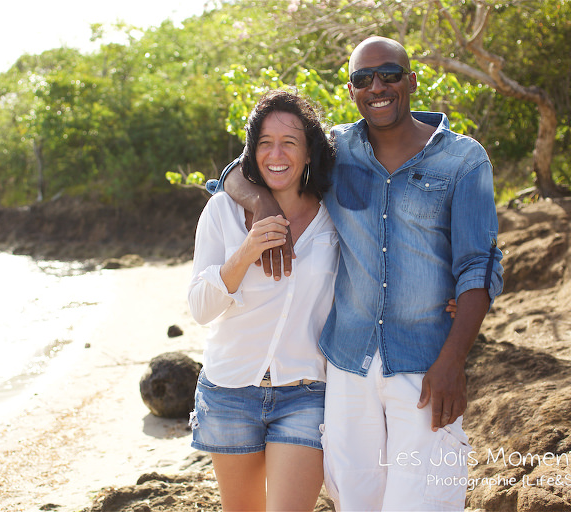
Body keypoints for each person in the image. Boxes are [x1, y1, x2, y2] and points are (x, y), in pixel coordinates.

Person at [210, 36, 504, 511]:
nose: (377, 86)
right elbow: (242, 169)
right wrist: (262, 202)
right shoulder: (337, 149)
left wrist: (454, 360)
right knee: (357, 502)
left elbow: (480, 264)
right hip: (348, 367)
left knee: (423, 501)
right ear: (351, 91)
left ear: (411, 80)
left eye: (389, 74)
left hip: (426, 363)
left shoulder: (464, 160)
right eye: (363, 79)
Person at [187, 89, 337, 511]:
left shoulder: (333, 217)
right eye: (265, 143)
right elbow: (200, 308)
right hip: (230, 391)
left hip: (306, 391)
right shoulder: (222, 212)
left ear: (309, 153)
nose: (277, 154)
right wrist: (246, 252)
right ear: (251, 153)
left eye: (290, 142)